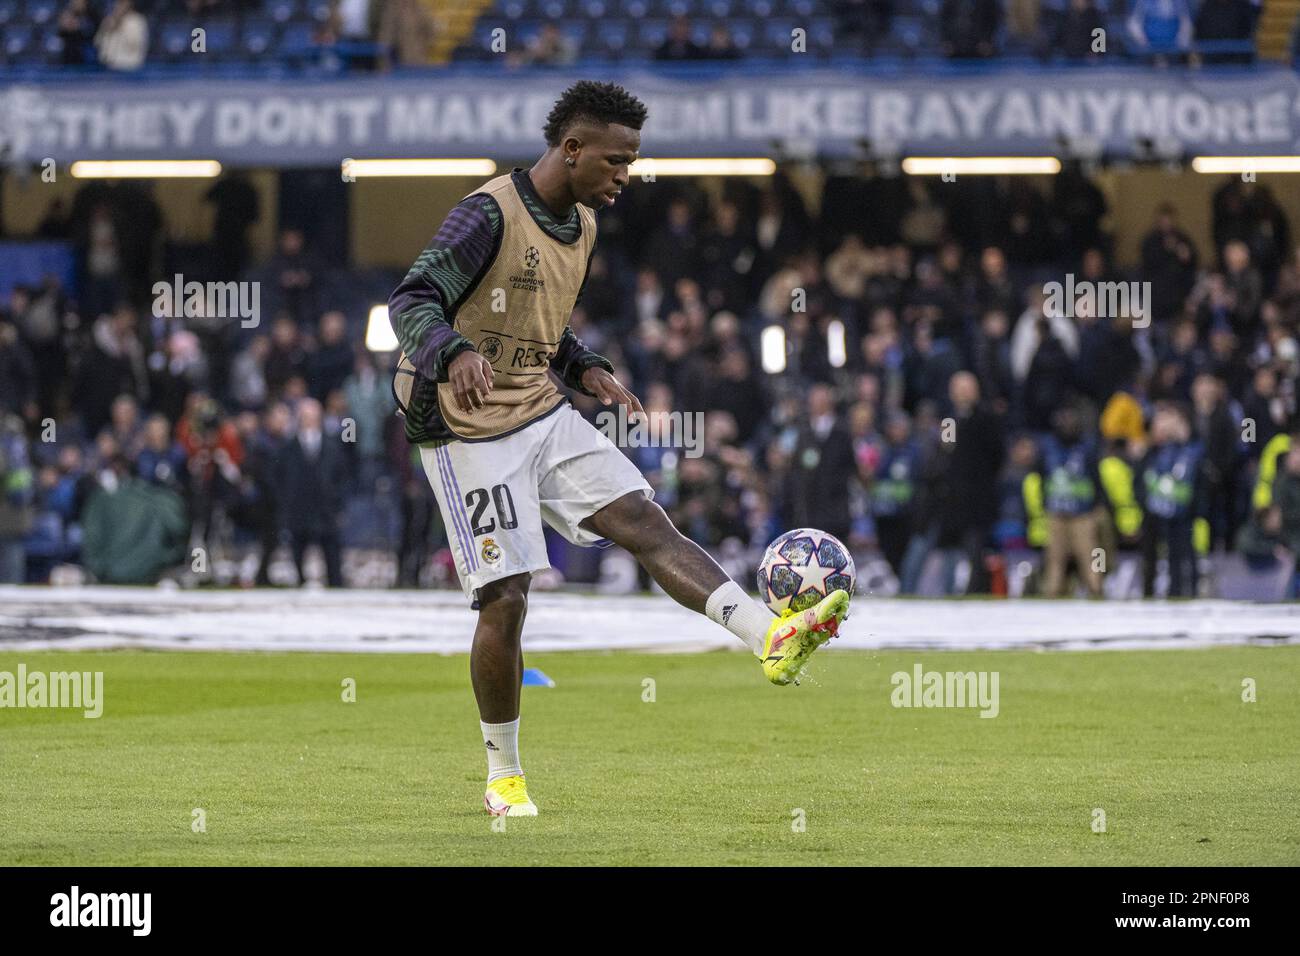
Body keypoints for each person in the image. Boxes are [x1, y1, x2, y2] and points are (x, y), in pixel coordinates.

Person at [387, 82, 849, 818]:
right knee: (506, 597)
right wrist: (451, 354)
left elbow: (543, 324)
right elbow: (410, 301)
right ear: (571, 150)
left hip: (538, 403)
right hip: (462, 419)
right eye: (617, 159)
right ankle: (504, 779)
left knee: (642, 518)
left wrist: (583, 366)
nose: (625, 175)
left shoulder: (583, 227)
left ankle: (771, 637)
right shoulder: (486, 213)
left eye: (631, 161)